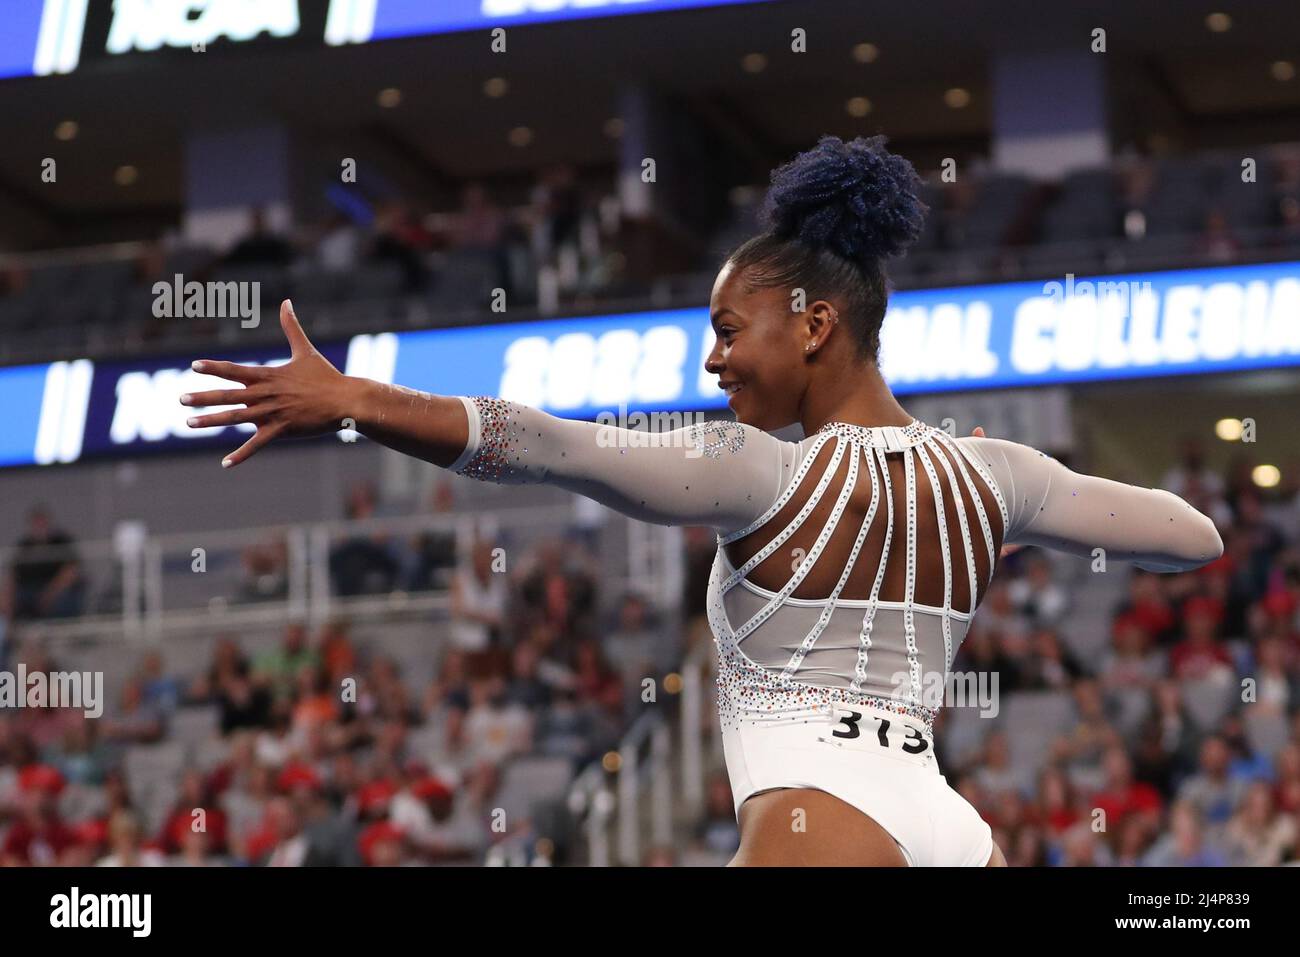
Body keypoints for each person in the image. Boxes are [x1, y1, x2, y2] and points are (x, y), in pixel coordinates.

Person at [181, 135, 1225, 866]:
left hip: (824, 817)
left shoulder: (756, 469)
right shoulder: (994, 475)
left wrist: (357, 398)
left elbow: (542, 445)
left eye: (730, 329)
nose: (714, 357)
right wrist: (997, 485)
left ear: (813, 326)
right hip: (948, 830)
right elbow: (1192, 538)